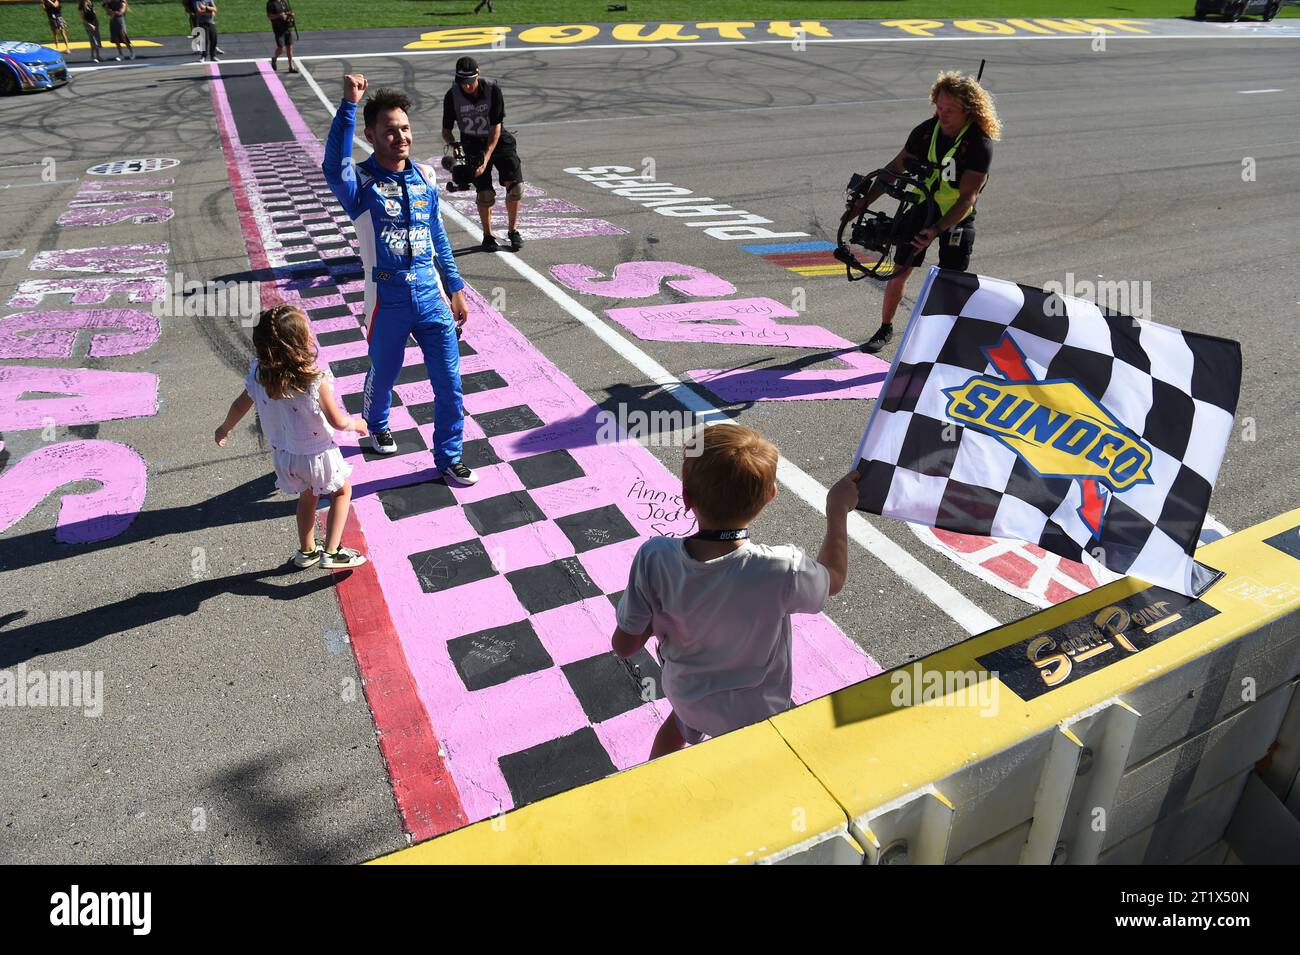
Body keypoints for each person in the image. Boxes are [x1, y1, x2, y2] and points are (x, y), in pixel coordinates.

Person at [612, 424, 859, 759]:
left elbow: (624, 646)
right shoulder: (782, 568)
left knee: (680, 721)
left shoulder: (654, 556)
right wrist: (837, 510)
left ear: (686, 497)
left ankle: (650, 787)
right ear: (771, 494)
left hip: (689, 696)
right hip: (757, 710)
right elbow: (835, 578)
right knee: (766, 757)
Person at [321, 73, 479, 486]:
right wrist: (348, 106)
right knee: (385, 372)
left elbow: (438, 237)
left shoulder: (426, 177)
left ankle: (449, 456)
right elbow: (332, 166)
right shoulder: (358, 182)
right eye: (389, 131)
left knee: (450, 382)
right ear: (371, 136)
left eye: (405, 128)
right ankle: (376, 422)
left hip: (430, 293)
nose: (400, 137)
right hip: (385, 298)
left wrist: (456, 288)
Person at [852, 71, 1001, 354]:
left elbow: (967, 198)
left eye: (950, 111)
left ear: (968, 111)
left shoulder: (979, 144)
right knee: (900, 270)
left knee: (949, 281)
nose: (942, 116)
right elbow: (894, 169)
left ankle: (946, 340)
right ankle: (885, 328)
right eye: (939, 108)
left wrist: (936, 230)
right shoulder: (925, 131)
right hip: (923, 208)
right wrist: (863, 202)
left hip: (956, 217)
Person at [214, 304, 369, 570]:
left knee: (307, 497)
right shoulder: (313, 380)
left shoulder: (259, 375)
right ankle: (332, 551)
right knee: (342, 492)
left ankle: (307, 550)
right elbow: (337, 420)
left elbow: (241, 405)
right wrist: (357, 424)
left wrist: (225, 428)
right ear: (299, 344)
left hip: (285, 457)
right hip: (318, 454)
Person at [441, 56, 525, 253]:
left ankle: (513, 231)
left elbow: (496, 127)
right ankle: (488, 236)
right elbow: (446, 129)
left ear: (478, 75)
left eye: (470, 81)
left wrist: (486, 159)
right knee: (485, 194)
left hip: (498, 141)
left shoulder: (492, 90)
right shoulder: (451, 96)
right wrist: (453, 144)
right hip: (471, 143)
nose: (467, 86)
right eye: (463, 82)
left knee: (516, 189)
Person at [267, 0, 297, 73]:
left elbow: (288, 12)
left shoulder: (284, 2)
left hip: (287, 28)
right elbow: (269, 16)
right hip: (278, 29)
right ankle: (274, 58)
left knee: (289, 47)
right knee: (281, 48)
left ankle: (291, 67)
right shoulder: (271, 3)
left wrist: (290, 14)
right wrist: (279, 16)